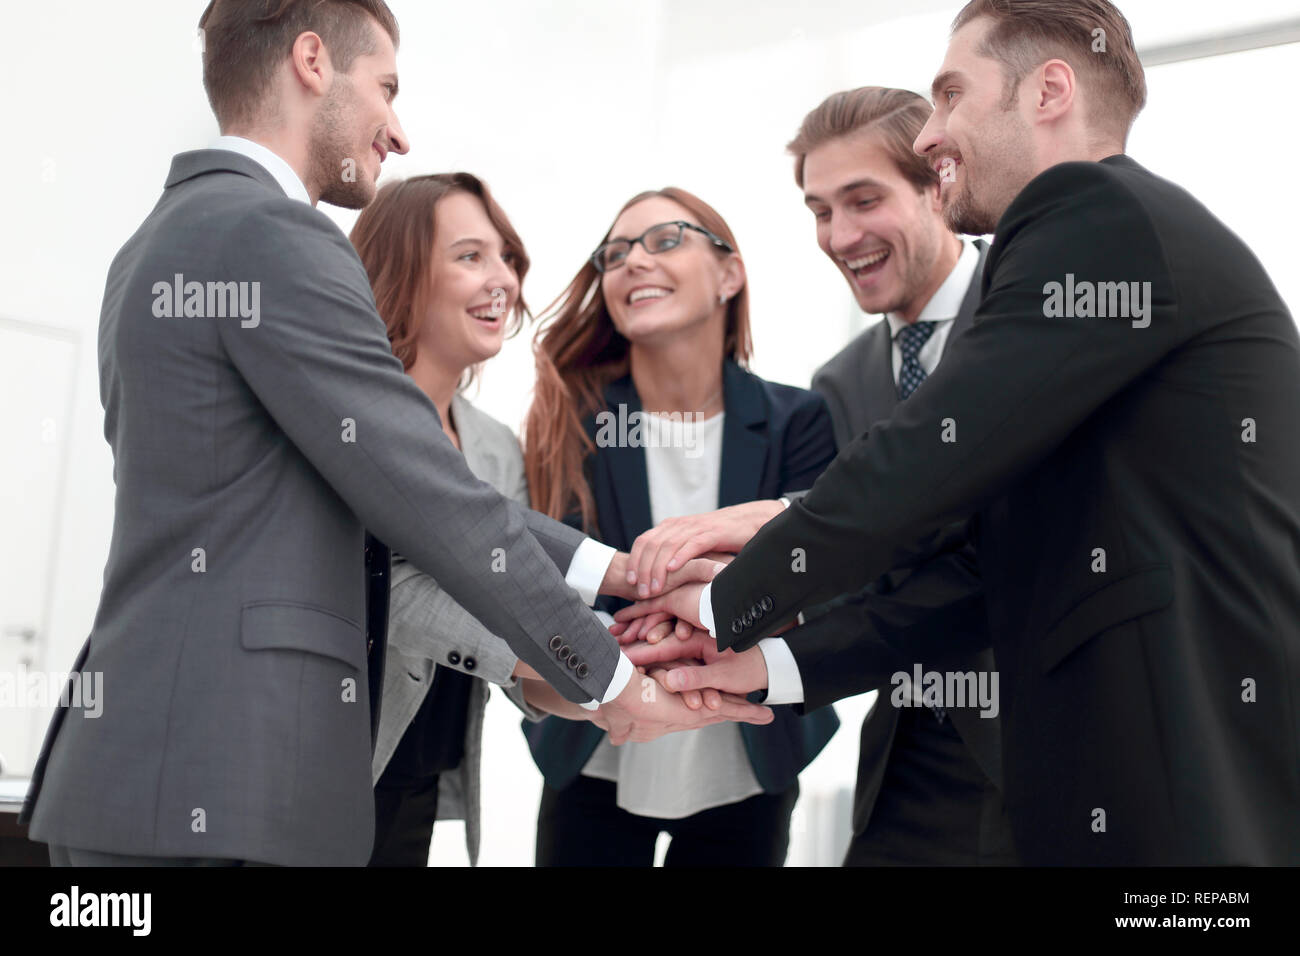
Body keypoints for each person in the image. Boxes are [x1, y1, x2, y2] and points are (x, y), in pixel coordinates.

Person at [21, 0, 770, 867]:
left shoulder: (156, 242)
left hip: (144, 773)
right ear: (311, 61)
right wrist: (607, 678)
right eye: (386, 88)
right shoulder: (273, 233)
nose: (400, 132)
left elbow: (418, 495)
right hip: (230, 779)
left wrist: (626, 571)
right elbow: (428, 494)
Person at [616, 0, 1300, 865]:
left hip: (1172, 787)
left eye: (950, 95)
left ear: (1050, 91)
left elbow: (924, 466)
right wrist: (757, 660)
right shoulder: (1094, 254)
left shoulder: (1093, 210)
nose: (931, 132)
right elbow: (976, 566)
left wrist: (729, 581)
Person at [631, 86, 1019, 866]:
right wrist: (723, 611)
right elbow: (861, 569)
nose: (840, 235)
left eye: (862, 200)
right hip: (906, 755)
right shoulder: (840, 382)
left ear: (937, 185)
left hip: (1042, 751)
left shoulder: (1024, 319)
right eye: (819, 211)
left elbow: (985, 531)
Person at [521, 188, 840, 866]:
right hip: (597, 752)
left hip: (747, 755)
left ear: (730, 273)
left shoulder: (799, 419)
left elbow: (821, 579)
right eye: (615, 253)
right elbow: (548, 583)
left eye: (664, 239)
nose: (633, 261)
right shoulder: (571, 418)